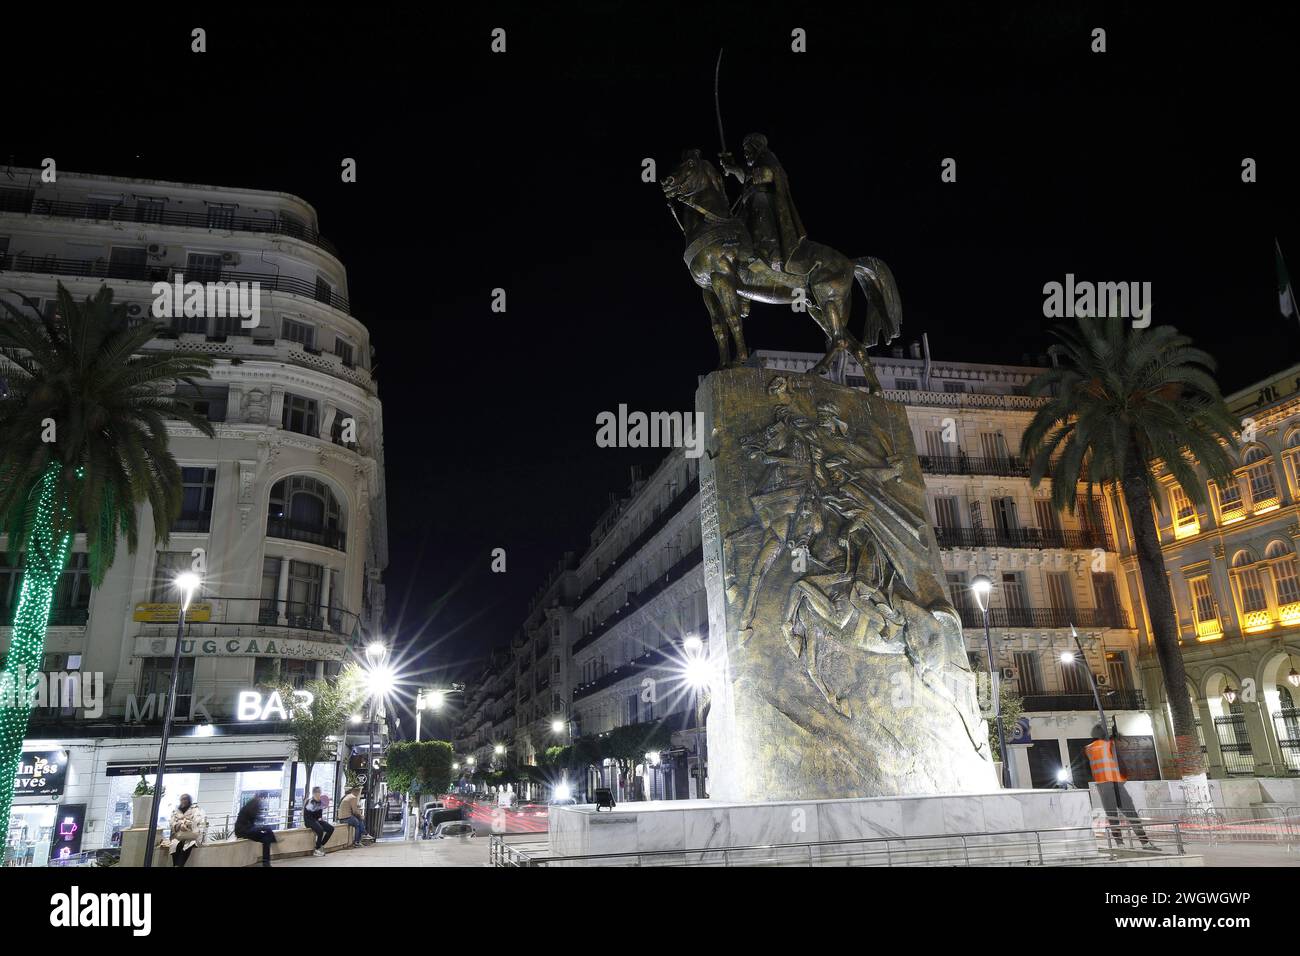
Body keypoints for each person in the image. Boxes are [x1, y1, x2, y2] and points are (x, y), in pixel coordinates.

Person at [1084, 723, 1154, 848]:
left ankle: (1120, 843)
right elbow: (1120, 762)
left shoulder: (1088, 749)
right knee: (1130, 812)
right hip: (1116, 782)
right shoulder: (1109, 744)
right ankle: (1145, 842)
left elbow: (1087, 770)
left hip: (1103, 784)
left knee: (1112, 815)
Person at [158, 794, 207, 867]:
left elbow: (197, 821)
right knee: (175, 845)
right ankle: (176, 865)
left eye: (185, 799)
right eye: (182, 799)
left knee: (188, 845)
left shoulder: (195, 809)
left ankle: (178, 865)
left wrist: (187, 824)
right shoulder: (176, 810)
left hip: (190, 835)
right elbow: (172, 822)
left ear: (189, 800)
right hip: (178, 835)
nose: (184, 801)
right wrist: (179, 825)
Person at [234, 795, 278, 867]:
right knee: (267, 830)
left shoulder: (250, 806)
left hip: (247, 830)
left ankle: (266, 862)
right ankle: (266, 861)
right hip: (244, 831)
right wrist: (262, 821)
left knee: (266, 838)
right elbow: (256, 817)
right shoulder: (250, 807)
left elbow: (255, 818)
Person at [302, 787, 334, 857]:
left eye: (319, 792)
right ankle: (316, 849)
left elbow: (319, 814)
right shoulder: (310, 801)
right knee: (320, 830)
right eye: (317, 793)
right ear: (314, 794)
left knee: (331, 828)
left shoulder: (320, 801)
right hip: (309, 820)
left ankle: (320, 845)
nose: (319, 794)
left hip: (316, 820)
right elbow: (311, 810)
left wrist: (320, 818)